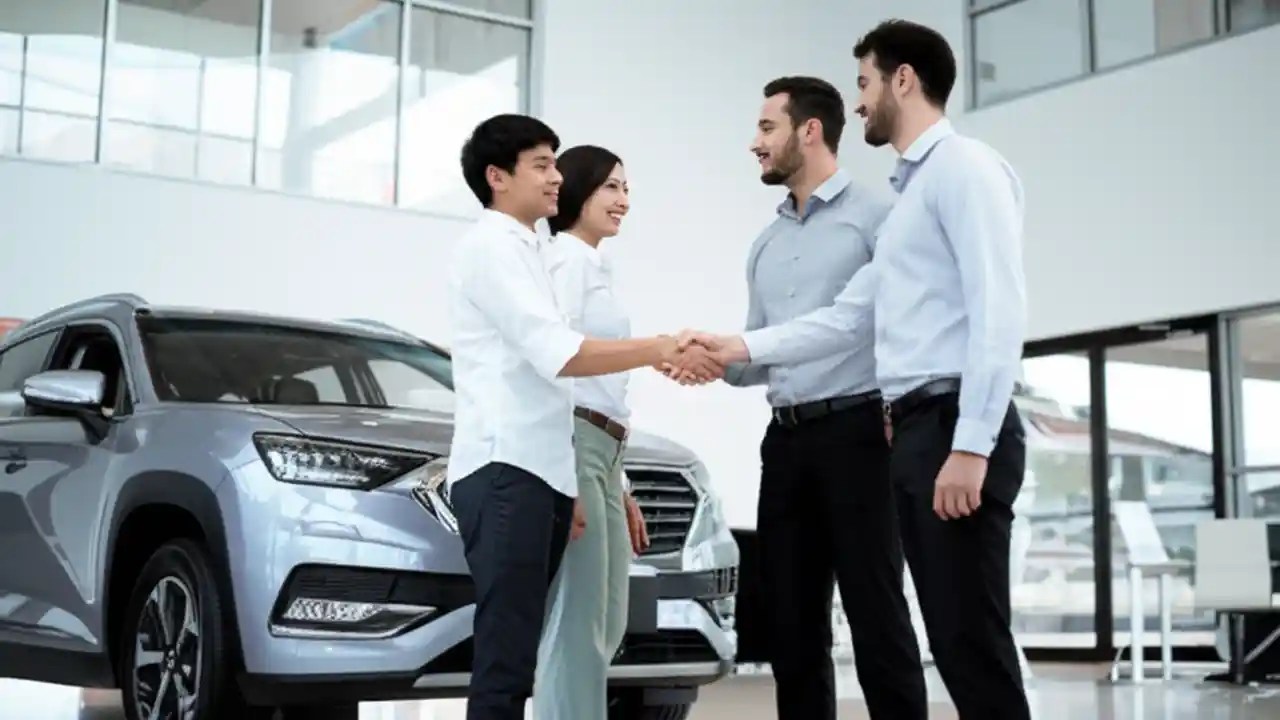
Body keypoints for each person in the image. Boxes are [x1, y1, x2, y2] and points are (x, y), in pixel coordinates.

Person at [680, 20, 1031, 720]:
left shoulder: (963, 169)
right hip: (912, 430)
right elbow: (843, 320)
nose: (860, 101)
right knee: (952, 637)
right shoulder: (909, 207)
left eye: (866, 82)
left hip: (941, 423)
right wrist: (726, 349)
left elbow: (1000, 310)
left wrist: (972, 442)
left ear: (904, 79)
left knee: (964, 636)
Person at [447, 114, 720, 720]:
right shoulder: (496, 249)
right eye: (542, 165)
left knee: (541, 644)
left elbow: (563, 383)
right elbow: (561, 354)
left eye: (556, 163)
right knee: (516, 651)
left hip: (545, 468)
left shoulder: (532, 251)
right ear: (497, 177)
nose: (555, 177)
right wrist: (661, 348)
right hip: (505, 466)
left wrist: (587, 483)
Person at [711, 76, 927, 720]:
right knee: (792, 623)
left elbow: (874, 323)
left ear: (810, 130)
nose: (755, 143)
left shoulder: (879, 216)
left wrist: (734, 348)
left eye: (766, 128)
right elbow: (759, 352)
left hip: (861, 433)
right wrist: (706, 360)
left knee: (876, 614)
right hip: (785, 442)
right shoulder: (766, 243)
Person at [530, 144, 652, 718]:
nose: (623, 199)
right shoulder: (566, 260)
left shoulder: (596, 265)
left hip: (604, 451)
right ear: (577, 190)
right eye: (610, 187)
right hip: (575, 445)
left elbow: (606, 389)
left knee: (605, 619)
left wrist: (618, 481)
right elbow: (556, 364)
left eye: (626, 188)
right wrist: (571, 475)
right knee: (580, 618)